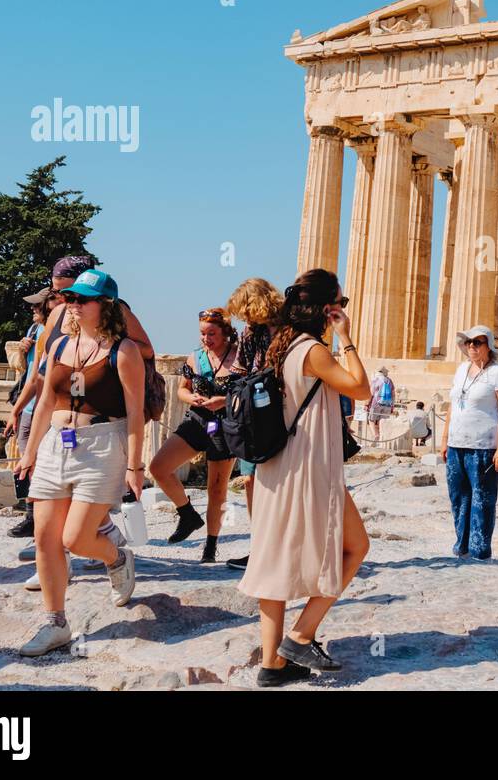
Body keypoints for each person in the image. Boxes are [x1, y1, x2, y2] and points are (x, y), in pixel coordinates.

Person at [238, 269, 371, 686]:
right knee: (356, 547)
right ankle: (300, 635)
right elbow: (361, 388)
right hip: (310, 465)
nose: (342, 310)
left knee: (273, 559)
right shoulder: (313, 349)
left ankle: (271, 665)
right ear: (326, 308)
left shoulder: (281, 344)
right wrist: (345, 336)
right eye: (340, 303)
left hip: (276, 465)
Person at [14, 270, 144, 655]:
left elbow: (136, 413)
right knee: (45, 538)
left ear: (104, 306)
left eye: (80, 299)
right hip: (57, 442)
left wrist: (135, 468)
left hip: (102, 444)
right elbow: (45, 403)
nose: (71, 303)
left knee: (76, 538)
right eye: (69, 297)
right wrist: (31, 451)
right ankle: (56, 622)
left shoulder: (125, 351)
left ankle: (118, 558)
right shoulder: (58, 346)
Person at [148, 308, 241, 562]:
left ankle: (210, 547)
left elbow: (246, 393)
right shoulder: (195, 358)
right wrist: (193, 398)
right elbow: (182, 390)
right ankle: (187, 514)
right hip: (198, 420)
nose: (206, 339)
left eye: (212, 333)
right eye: (202, 333)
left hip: (226, 425)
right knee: (158, 467)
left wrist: (223, 400)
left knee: (217, 489)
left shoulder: (239, 357)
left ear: (225, 333)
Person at [438, 325, 498, 561]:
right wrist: (444, 439)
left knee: (482, 500)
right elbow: (453, 405)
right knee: (459, 499)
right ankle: (462, 547)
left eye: (478, 342)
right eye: (468, 342)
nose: (472, 346)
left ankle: (480, 552)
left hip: (483, 446)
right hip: (456, 444)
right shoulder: (461, 370)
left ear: (489, 346)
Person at [225, 277, 284, 571]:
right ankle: (260, 547)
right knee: (250, 481)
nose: (243, 317)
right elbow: (239, 370)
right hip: (254, 415)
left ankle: (284, 549)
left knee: (279, 484)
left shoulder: (290, 328)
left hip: (284, 414)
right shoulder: (251, 332)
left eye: (245, 309)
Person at [4, 287, 62, 539]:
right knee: (28, 463)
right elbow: (26, 373)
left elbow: (38, 378)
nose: (33, 309)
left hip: (50, 408)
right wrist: (16, 410)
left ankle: (42, 517)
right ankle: (31, 515)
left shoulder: (56, 335)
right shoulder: (33, 332)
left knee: (44, 464)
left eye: (37, 306)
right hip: (30, 407)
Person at [367, 367, 395, 442]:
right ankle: (382, 438)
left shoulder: (375, 380)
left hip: (376, 403)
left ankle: (376, 435)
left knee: (371, 420)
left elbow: (371, 394)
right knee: (382, 421)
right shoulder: (390, 381)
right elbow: (393, 394)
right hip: (388, 405)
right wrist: (392, 406)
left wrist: (366, 404)